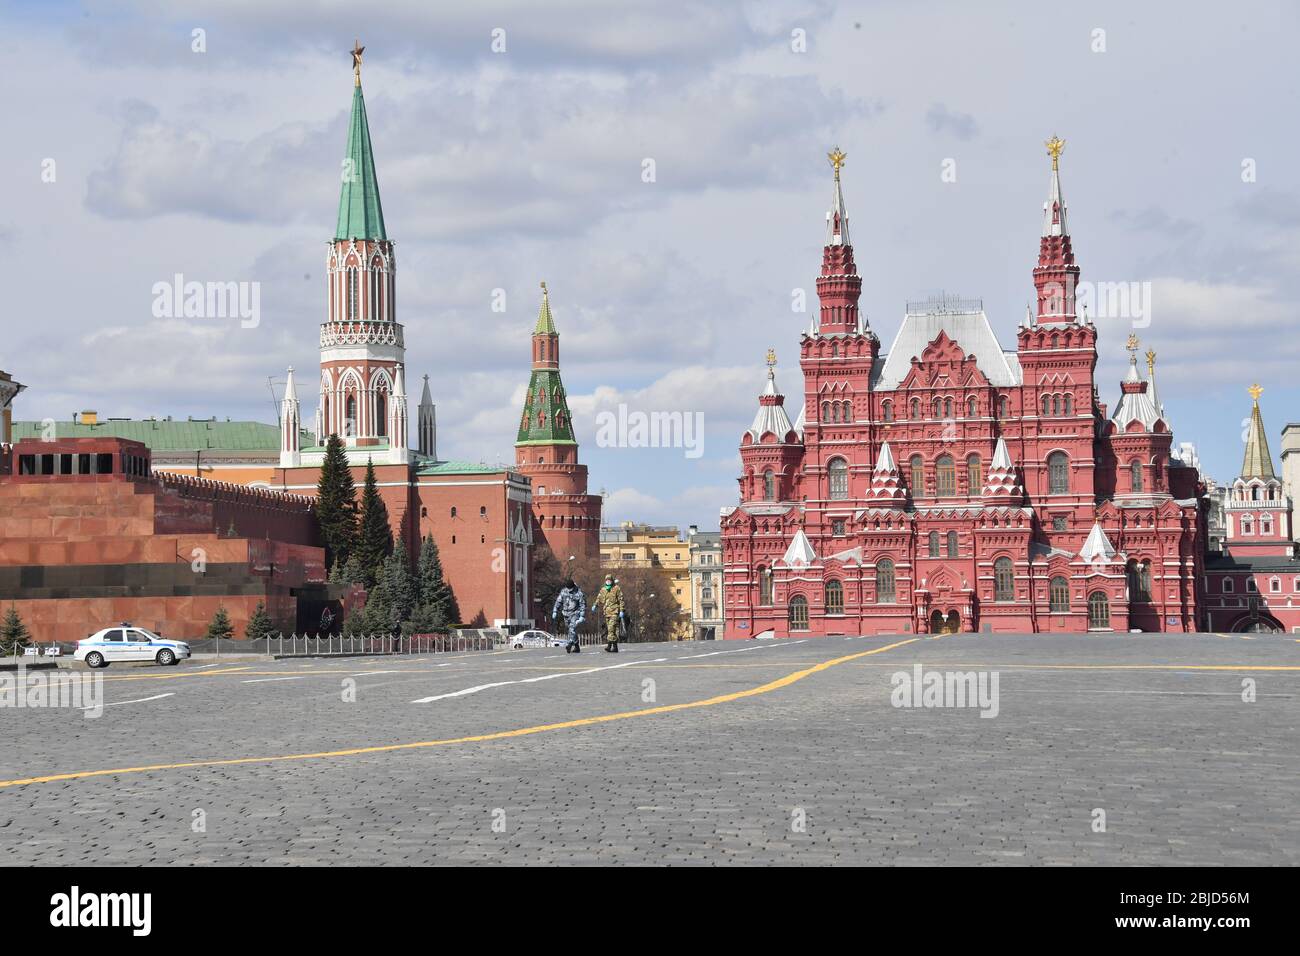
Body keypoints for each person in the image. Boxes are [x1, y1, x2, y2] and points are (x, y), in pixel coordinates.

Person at [552, 578, 586, 654]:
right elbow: (558, 602)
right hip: (566, 614)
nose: (569, 590)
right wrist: (555, 611)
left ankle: (569, 644)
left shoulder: (578, 593)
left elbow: (582, 605)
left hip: (575, 613)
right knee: (570, 630)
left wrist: (581, 616)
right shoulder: (564, 591)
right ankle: (577, 646)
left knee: (572, 629)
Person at [592, 574, 625, 652]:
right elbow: (599, 598)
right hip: (606, 613)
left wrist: (621, 610)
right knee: (612, 630)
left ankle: (609, 646)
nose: (608, 582)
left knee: (610, 628)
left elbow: (621, 600)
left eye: (609, 580)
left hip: (615, 612)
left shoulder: (616, 588)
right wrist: (595, 605)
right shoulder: (603, 590)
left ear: (612, 581)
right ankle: (615, 647)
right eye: (607, 580)